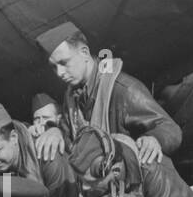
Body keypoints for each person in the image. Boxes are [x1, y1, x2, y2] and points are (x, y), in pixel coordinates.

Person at [36, 29, 182, 166]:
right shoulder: (72, 95)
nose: (59, 73)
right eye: (54, 67)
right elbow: (68, 132)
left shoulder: (123, 89)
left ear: (84, 52)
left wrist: (154, 139)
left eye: (64, 63)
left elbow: (169, 128)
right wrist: (55, 131)